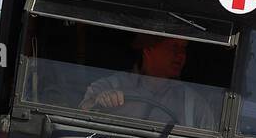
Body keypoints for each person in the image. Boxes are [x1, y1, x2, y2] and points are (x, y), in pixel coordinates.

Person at [80, 34, 217, 127]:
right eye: (174, 47)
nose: (180, 55)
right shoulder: (109, 85)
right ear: (148, 49)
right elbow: (80, 122)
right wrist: (99, 100)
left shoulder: (194, 103)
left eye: (184, 49)